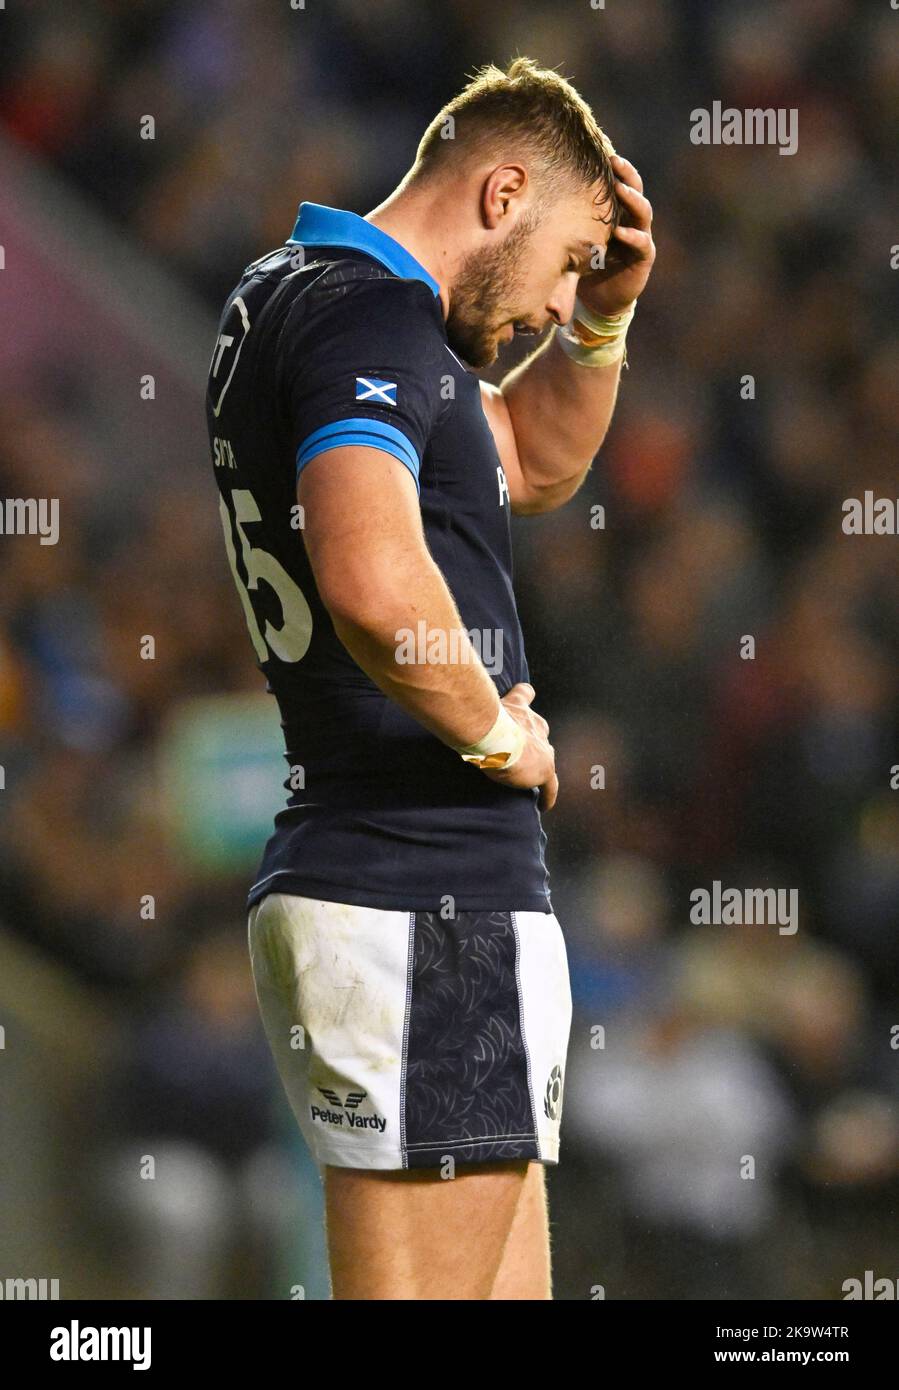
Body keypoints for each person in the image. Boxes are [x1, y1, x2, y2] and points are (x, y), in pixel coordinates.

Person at [205, 56, 655, 1300]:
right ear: (503, 191)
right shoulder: (368, 318)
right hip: (419, 888)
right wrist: (493, 736)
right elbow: (365, 571)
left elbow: (524, 462)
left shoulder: (314, 300)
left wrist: (611, 320)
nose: (564, 307)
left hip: (402, 886)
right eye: (569, 262)